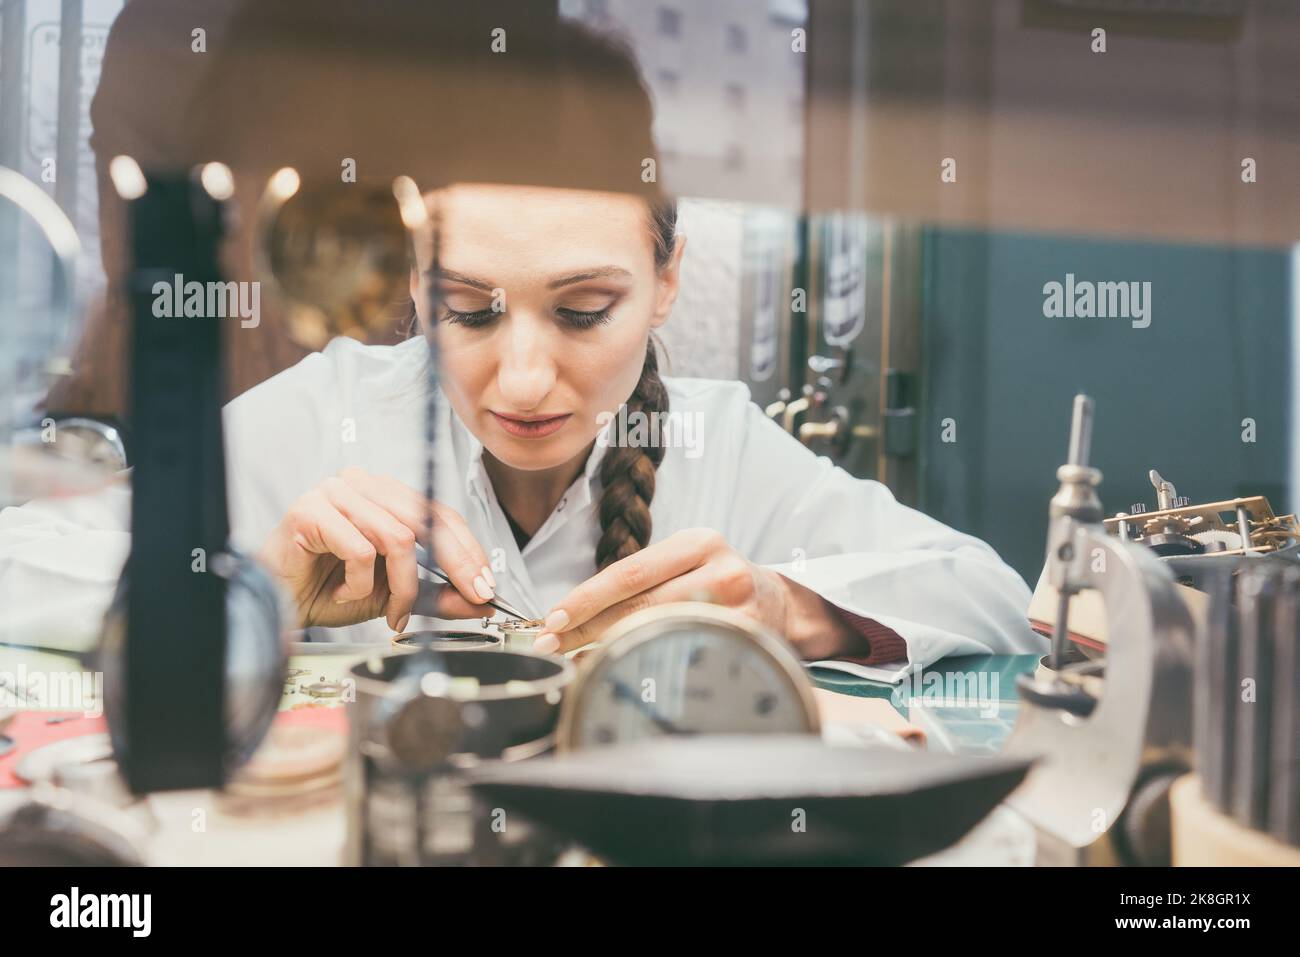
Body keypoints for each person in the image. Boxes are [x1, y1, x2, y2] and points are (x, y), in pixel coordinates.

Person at [0, 1, 1043, 671]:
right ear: (412, 278)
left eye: (585, 311)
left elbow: (994, 596)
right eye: (469, 308)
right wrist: (248, 590)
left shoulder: (716, 442)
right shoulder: (328, 412)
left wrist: (786, 608)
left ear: (667, 280)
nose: (529, 376)